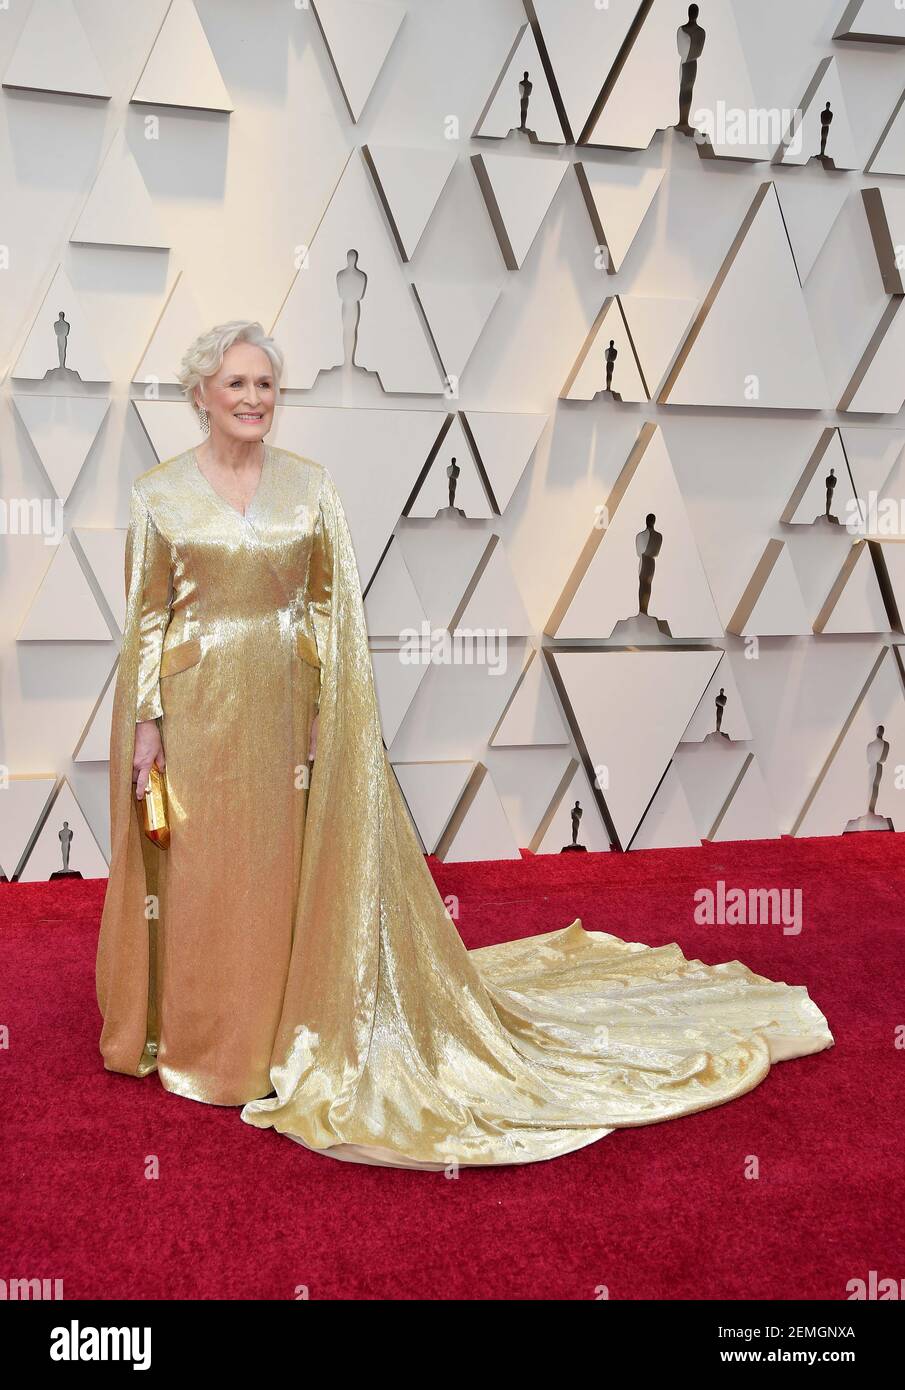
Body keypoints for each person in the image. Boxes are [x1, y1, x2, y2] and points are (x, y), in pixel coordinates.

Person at [96, 320, 834, 1171]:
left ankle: (284, 1032)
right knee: (207, 868)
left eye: (265, 385)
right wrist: (146, 721)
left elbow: (336, 610)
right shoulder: (159, 494)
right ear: (201, 396)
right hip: (197, 709)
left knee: (280, 867)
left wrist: (331, 714)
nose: (255, 399)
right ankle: (202, 1036)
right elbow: (147, 614)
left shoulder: (310, 488)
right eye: (237, 385)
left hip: (288, 707)